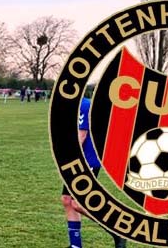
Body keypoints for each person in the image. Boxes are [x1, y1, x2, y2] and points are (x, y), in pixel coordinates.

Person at [61, 97, 126, 248]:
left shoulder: (84, 105)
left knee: (77, 203)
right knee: (66, 199)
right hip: (78, 162)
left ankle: (116, 230)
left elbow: (81, 135)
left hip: (86, 161)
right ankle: (75, 246)